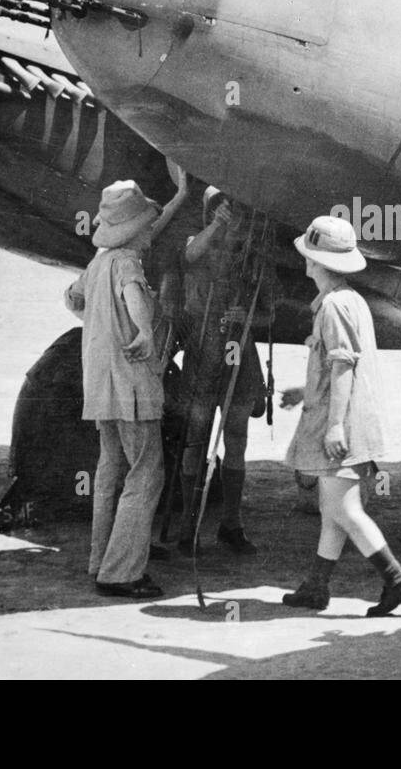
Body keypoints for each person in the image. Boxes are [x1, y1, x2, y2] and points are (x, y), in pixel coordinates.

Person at [281, 215, 401, 615]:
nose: (304, 260)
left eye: (309, 255)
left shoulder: (334, 307)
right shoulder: (348, 299)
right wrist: (304, 391)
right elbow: (339, 367)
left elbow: (342, 367)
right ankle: (315, 586)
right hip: (347, 416)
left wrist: (335, 424)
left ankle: (396, 581)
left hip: (341, 423)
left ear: (318, 263)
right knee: (333, 509)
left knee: (344, 510)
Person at [64, 176, 184, 599]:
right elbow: (134, 295)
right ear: (134, 231)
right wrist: (144, 331)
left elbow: (71, 298)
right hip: (132, 387)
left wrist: (99, 326)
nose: (152, 231)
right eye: (147, 226)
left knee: (109, 471)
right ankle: (120, 573)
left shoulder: (97, 265)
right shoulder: (128, 264)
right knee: (147, 473)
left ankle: (100, 558)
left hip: (100, 388)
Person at [175, 188, 269, 555]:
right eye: (218, 210)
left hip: (239, 359)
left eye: (234, 212)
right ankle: (187, 529)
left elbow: (270, 314)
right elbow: (188, 256)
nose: (230, 218)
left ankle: (232, 524)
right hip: (202, 355)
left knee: (237, 440)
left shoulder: (252, 261)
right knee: (195, 442)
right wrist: (216, 226)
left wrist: (248, 317)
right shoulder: (196, 245)